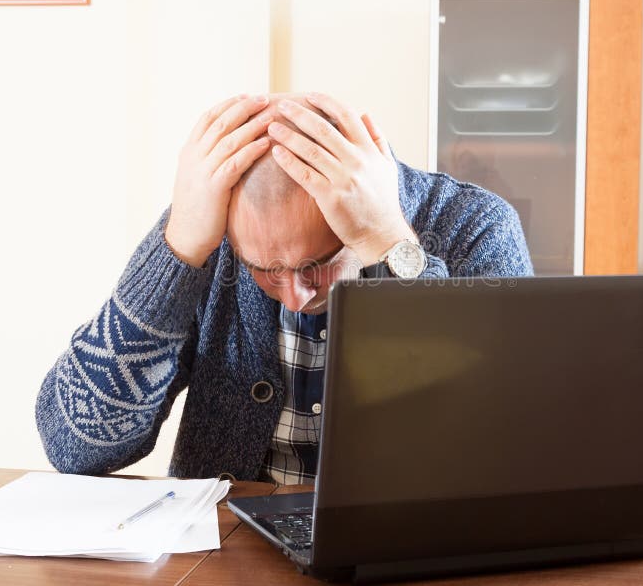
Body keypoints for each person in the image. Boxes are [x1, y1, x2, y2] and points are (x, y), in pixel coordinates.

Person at [36, 92, 533, 484]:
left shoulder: (474, 225)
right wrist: (177, 251)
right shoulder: (210, 227)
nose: (295, 296)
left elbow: (508, 445)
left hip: (409, 545)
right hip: (223, 546)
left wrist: (388, 245)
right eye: (264, 269)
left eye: (316, 265)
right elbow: (75, 447)